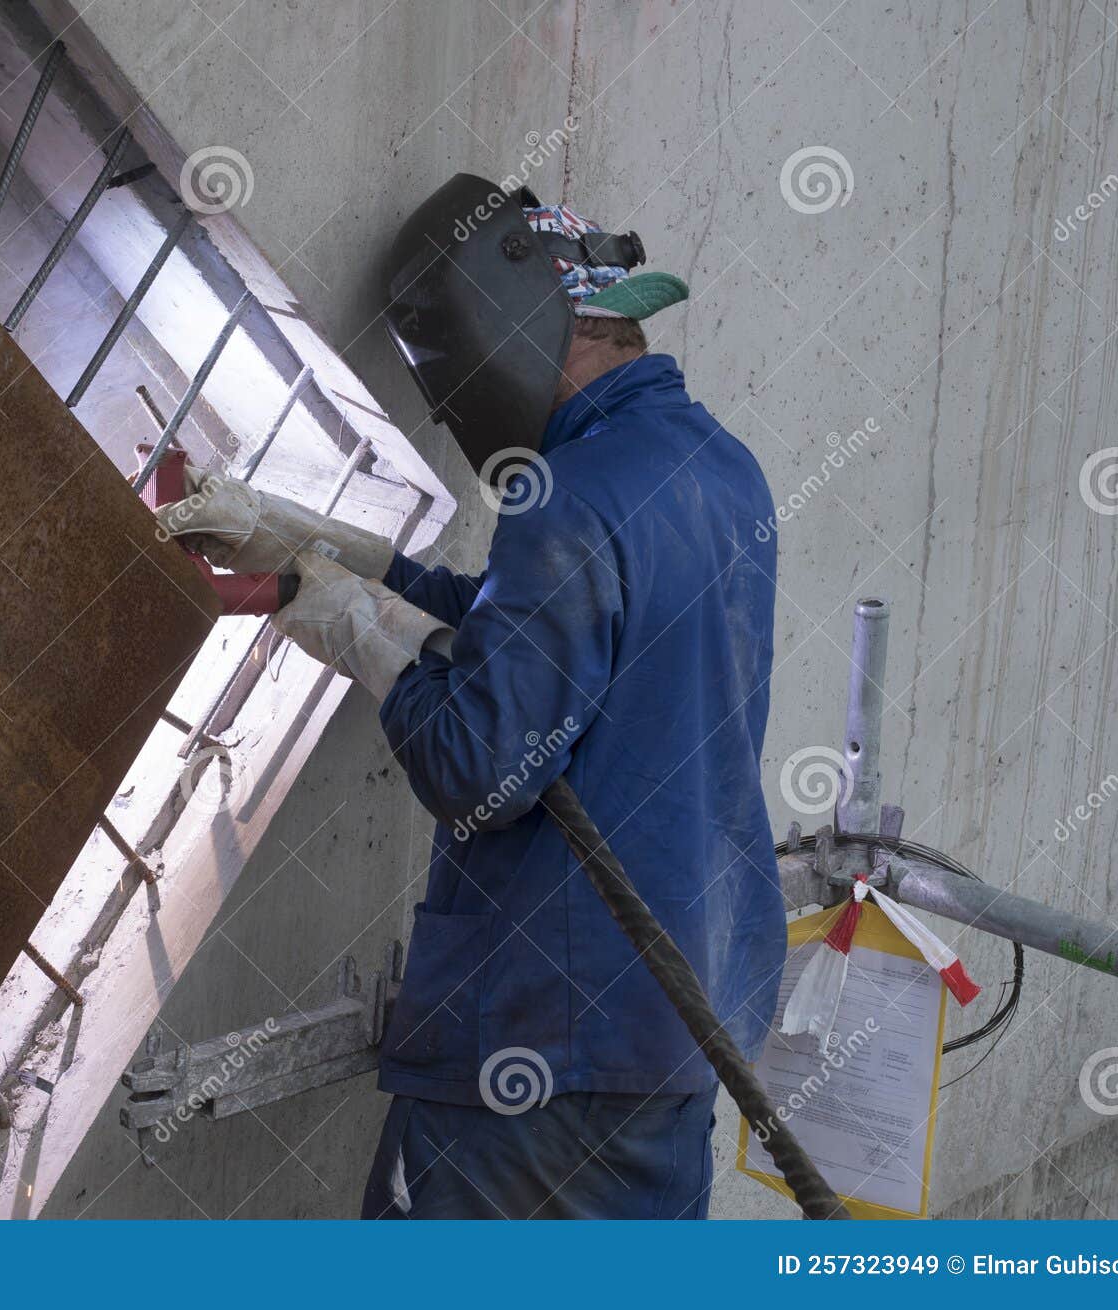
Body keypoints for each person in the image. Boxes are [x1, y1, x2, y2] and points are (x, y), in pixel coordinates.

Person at [156, 176, 785, 1219]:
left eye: (446, 381)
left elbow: (480, 764)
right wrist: (296, 544)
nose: (452, 410)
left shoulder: (569, 495)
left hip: (540, 1045)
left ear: (506, 328)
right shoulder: (721, 469)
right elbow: (525, 635)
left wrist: (333, 612)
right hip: (669, 1031)